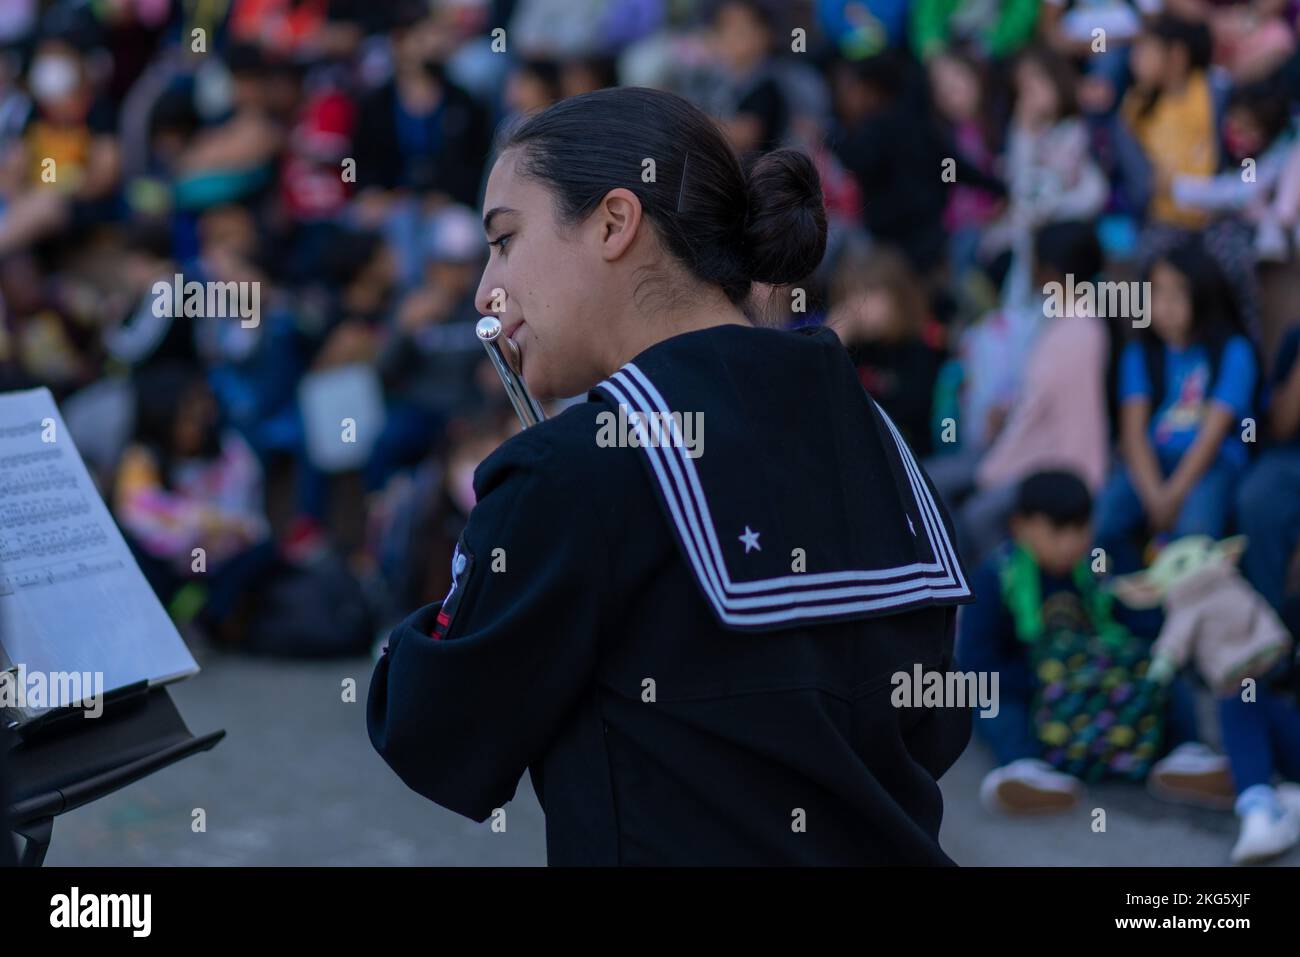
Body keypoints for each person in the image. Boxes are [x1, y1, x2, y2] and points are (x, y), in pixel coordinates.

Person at [368, 87, 976, 866]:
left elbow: (430, 731)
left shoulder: (568, 471)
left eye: (506, 240)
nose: (488, 289)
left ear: (615, 223)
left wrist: (504, 521)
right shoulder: (879, 433)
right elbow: (933, 727)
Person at [958, 470, 1234, 814]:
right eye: (1057, 531)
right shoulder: (994, 576)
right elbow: (976, 662)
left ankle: (1185, 755)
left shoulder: (1102, 565)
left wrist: (1133, 614)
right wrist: (1044, 677)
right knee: (989, 695)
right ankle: (1023, 767)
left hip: (1104, 685)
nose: (1071, 542)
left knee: (1162, 665)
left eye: (1080, 528)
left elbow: (1145, 630)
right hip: (1034, 692)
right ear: (1021, 525)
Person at [1094, 238, 1260, 573]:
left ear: (1203, 294)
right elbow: (1133, 434)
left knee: (1194, 532)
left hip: (1209, 464)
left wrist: (1173, 496)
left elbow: (1212, 436)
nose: (1164, 305)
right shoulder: (1140, 353)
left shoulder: (1232, 351)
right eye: (1155, 292)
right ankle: (1128, 610)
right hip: (1151, 463)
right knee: (1105, 521)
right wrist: (1155, 494)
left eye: (1178, 293)